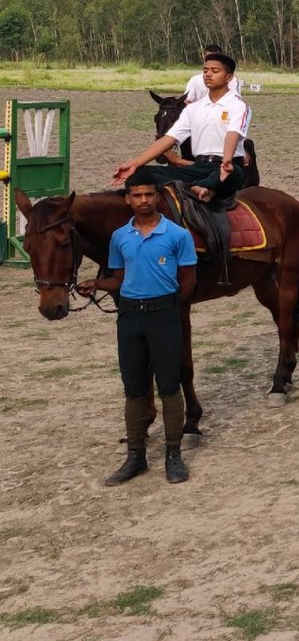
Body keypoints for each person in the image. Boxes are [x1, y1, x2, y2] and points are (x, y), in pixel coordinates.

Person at [77, 168, 198, 486]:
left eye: (148, 194)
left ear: (156, 197)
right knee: (133, 387)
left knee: (169, 386)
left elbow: (188, 280)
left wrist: (170, 308)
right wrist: (97, 284)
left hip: (163, 315)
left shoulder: (177, 236)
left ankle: (174, 454)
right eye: (137, 195)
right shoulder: (119, 238)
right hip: (130, 317)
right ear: (128, 200)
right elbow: (118, 277)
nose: (143, 200)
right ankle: (136, 456)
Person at [115, 53, 250, 207]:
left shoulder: (239, 106)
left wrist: (226, 161)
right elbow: (169, 138)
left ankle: (201, 186)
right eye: (205, 70)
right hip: (198, 167)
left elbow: (232, 134)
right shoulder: (193, 108)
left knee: (234, 174)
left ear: (229, 77)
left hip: (227, 166)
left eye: (214, 71)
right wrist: (134, 163)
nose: (208, 74)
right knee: (139, 176)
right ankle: (200, 186)